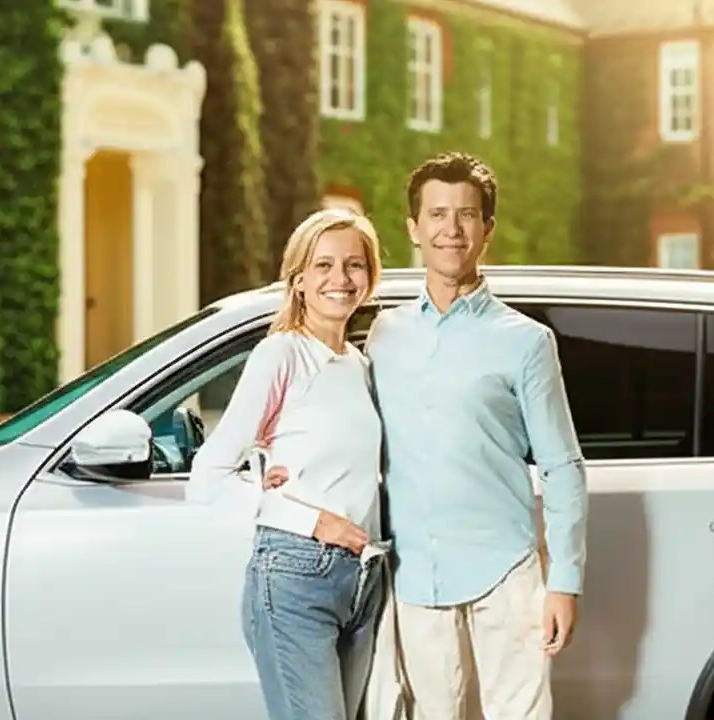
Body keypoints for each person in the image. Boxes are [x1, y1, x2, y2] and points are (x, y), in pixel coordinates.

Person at [364, 152, 588, 719]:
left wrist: (564, 582)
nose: (452, 229)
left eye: (466, 215)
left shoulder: (526, 342)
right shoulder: (385, 335)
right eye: (437, 214)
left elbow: (562, 466)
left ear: (487, 229)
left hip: (506, 575)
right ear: (414, 228)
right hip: (414, 577)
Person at [187, 207, 390, 720]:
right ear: (298, 280)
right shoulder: (281, 354)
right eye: (323, 265)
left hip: (362, 578)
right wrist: (310, 520)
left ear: (370, 276)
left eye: (354, 265)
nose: (340, 278)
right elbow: (207, 477)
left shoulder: (359, 364)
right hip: (297, 574)